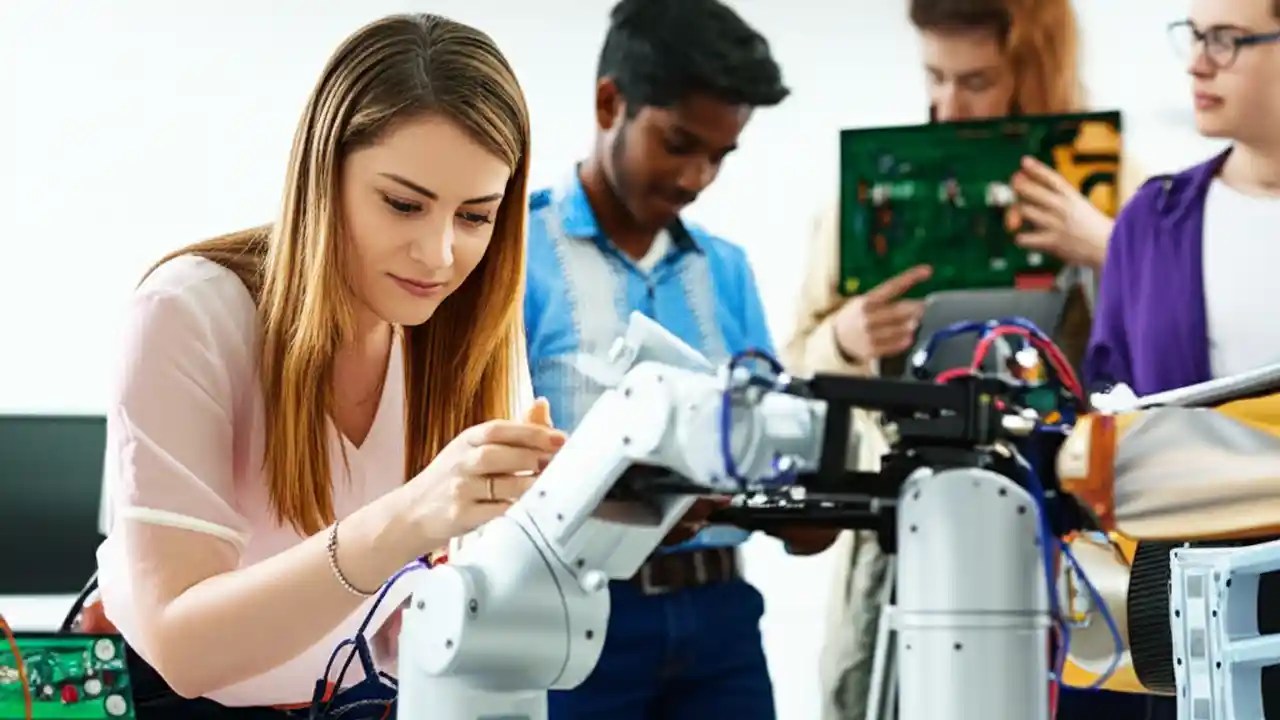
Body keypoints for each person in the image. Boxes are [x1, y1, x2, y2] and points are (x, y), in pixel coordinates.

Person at [91, 14, 565, 718]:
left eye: (475, 216)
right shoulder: (188, 313)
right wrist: (412, 516)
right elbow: (185, 654)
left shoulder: (459, 330)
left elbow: (414, 616)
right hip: (136, 692)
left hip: (345, 696)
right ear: (324, 177)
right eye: (403, 205)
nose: (438, 256)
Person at [788, 2, 1144, 719]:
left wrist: (1107, 251)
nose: (948, 106)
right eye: (934, 77)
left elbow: (1168, 371)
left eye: (975, 81)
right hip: (906, 540)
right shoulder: (877, 194)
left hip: (1064, 544)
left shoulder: (1118, 192)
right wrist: (846, 339)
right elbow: (795, 368)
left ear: (1037, 68)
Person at [523, 1, 838, 718]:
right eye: (678, 143)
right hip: (577, 619)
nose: (698, 176)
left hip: (721, 618)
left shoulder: (727, 270)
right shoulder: (515, 256)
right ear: (611, 102)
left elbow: (772, 445)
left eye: (720, 156)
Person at [1089, 0, 1280, 395]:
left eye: (1225, 40)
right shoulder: (1149, 222)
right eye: (1195, 36)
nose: (1196, 65)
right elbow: (1109, 405)